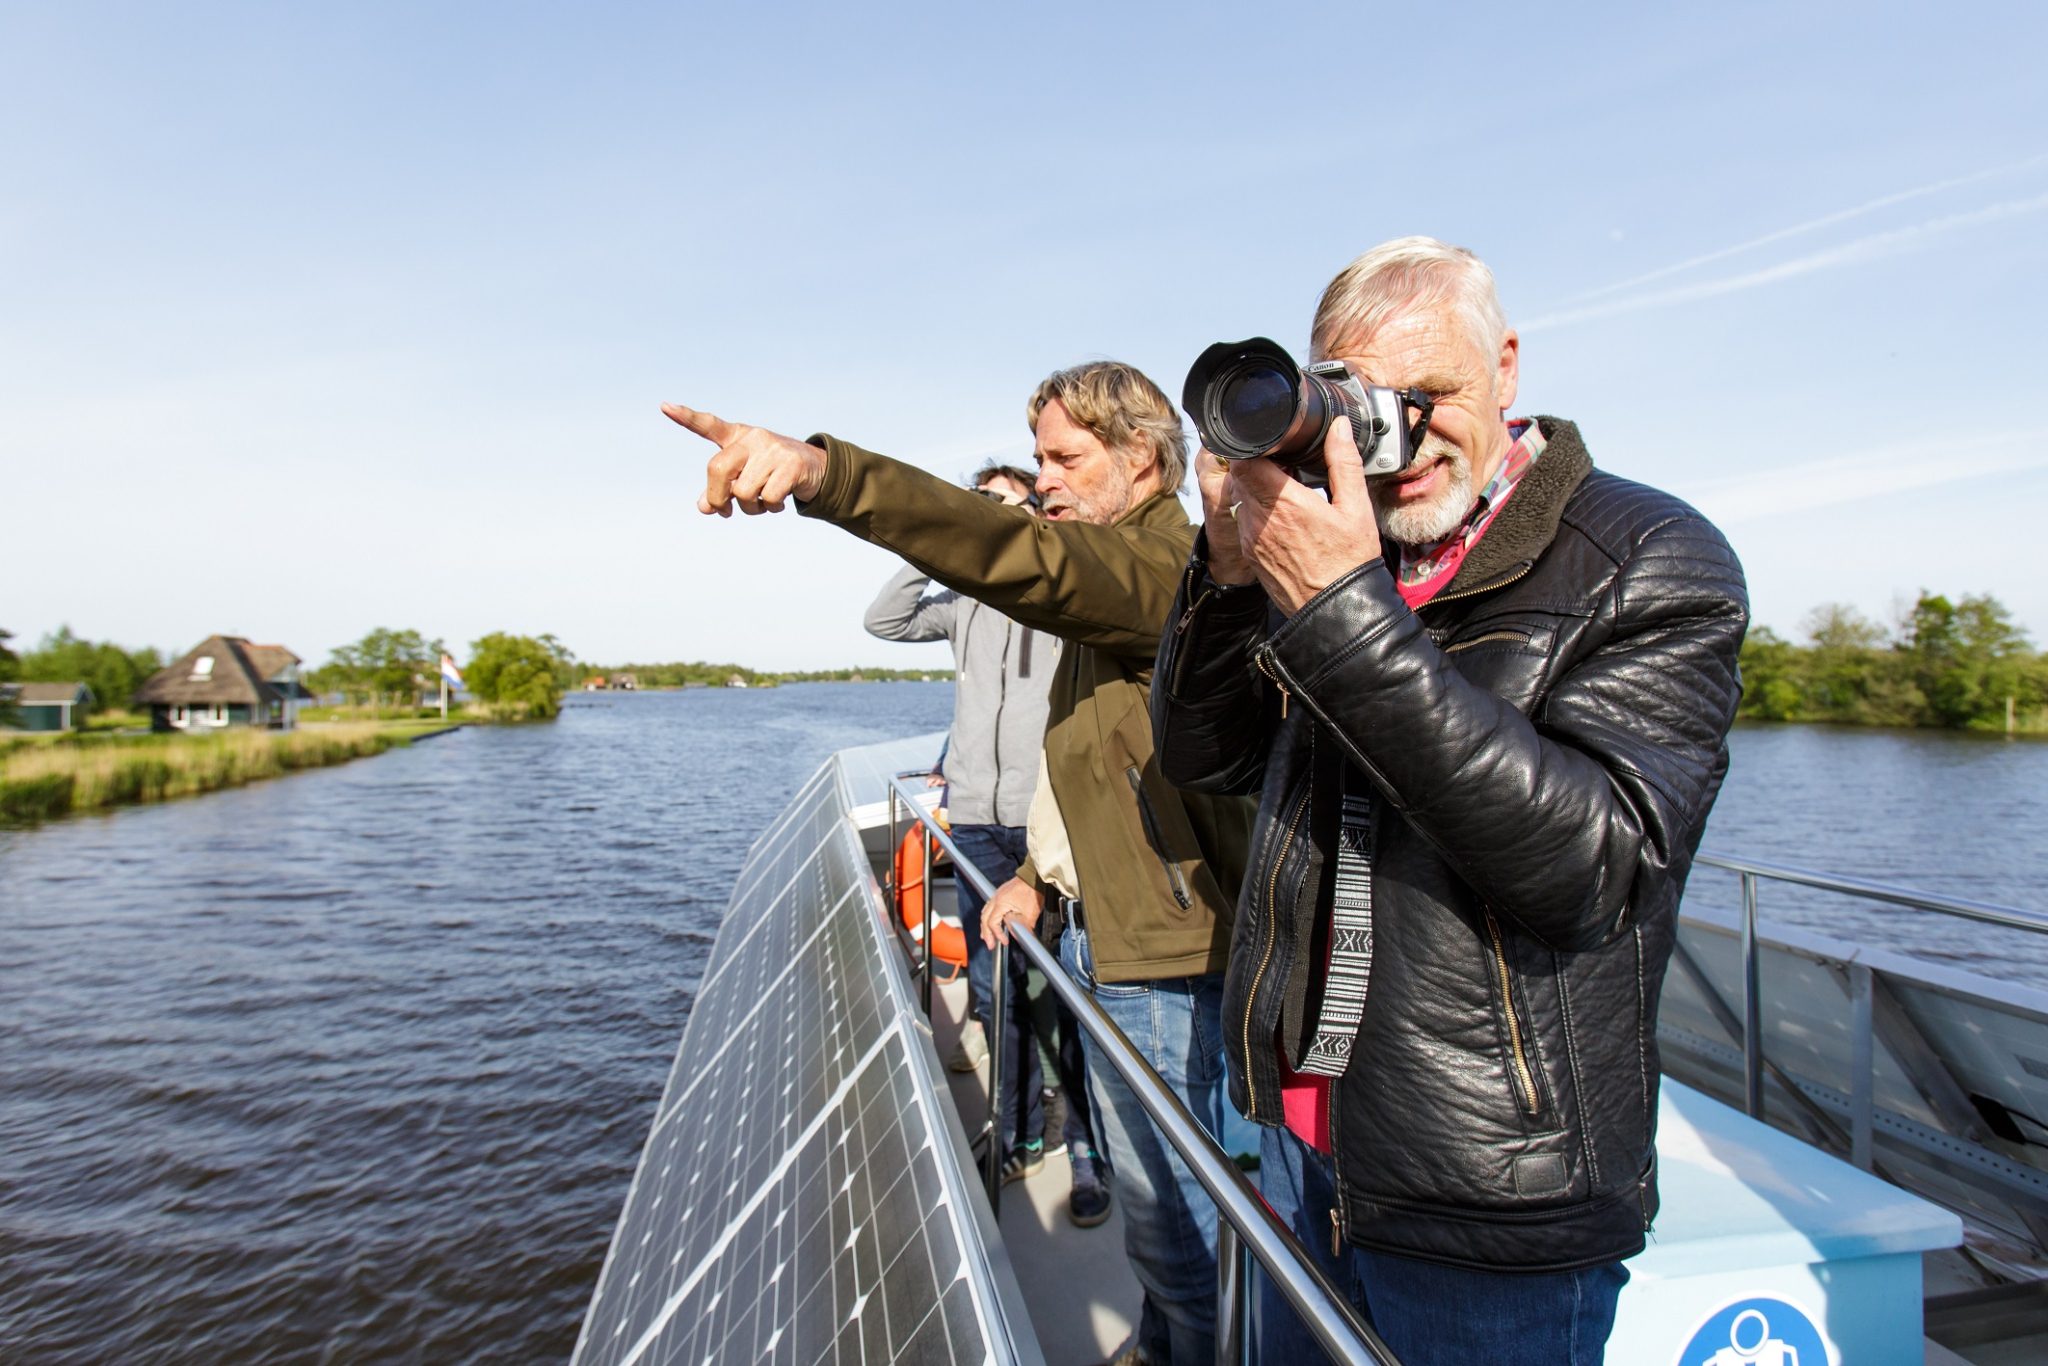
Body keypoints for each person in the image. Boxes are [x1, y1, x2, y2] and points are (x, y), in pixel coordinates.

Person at [1151, 237, 1749, 1366]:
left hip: (1486, 1187)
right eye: (1362, 407)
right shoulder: (1337, 542)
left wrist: (1341, 612)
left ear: (1506, 366)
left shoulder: (1646, 558)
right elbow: (1203, 755)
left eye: (1428, 397)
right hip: (1301, 1141)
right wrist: (1228, 576)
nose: (1401, 441)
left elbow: (1588, 870)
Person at [666, 362, 1253, 1366]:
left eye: (1064, 457)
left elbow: (1023, 555)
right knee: (1162, 1223)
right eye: (1035, 458)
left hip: (1166, 955)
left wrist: (822, 473)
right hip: (1105, 922)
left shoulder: (1169, 569)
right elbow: (1095, 771)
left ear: (1141, 457)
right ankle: (1163, 1340)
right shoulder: (1126, 565)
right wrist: (1038, 875)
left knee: (1173, 1219)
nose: (1045, 478)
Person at [862, 461, 1105, 1223]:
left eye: (1000, 505)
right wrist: (937, 539)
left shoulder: (1054, 590)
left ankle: (1091, 1150)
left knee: (1065, 996)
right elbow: (885, 621)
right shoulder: (962, 600)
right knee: (999, 997)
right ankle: (1022, 1135)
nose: (987, 516)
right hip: (973, 823)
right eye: (978, 507)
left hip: (1046, 829)